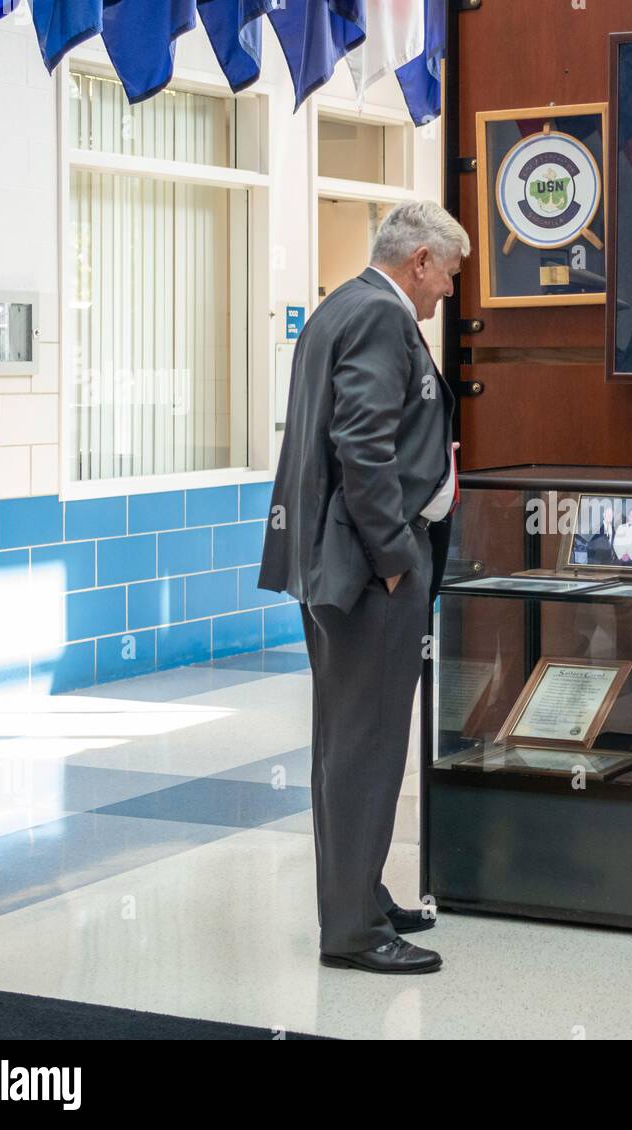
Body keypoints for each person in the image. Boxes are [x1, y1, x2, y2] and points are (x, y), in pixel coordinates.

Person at [257, 200, 470, 975]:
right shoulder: (382, 317)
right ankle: (351, 929)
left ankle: (361, 892)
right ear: (419, 260)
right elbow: (362, 444)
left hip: (331, 566)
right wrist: (393, 556)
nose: (447, 292)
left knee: (347, 742)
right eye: (447, 275)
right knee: (367, 746)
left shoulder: (338, 306)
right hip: (368, 572)